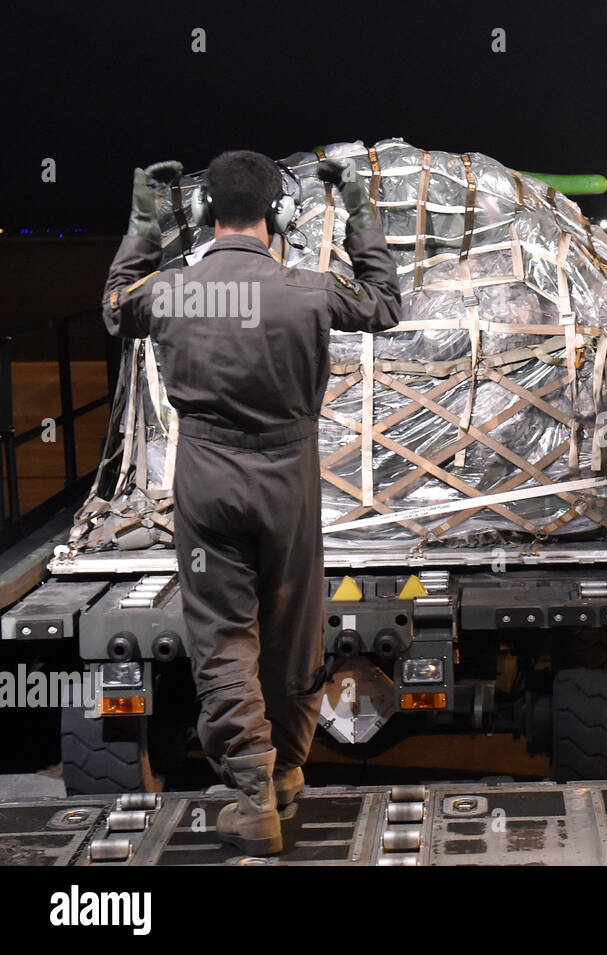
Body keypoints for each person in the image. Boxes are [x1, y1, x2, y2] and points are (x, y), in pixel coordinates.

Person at [102, 151, 402, 855]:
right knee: (294, 626)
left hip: (206, 481)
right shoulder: (308, 290)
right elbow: (385, 303)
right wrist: (360, 213)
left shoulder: (175, 292)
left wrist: (144, 221)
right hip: (287, 481)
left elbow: (116, 308)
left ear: (207, 213)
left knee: (224, 635)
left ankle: (252, 790)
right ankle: (290, 769)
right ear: (282, 215)